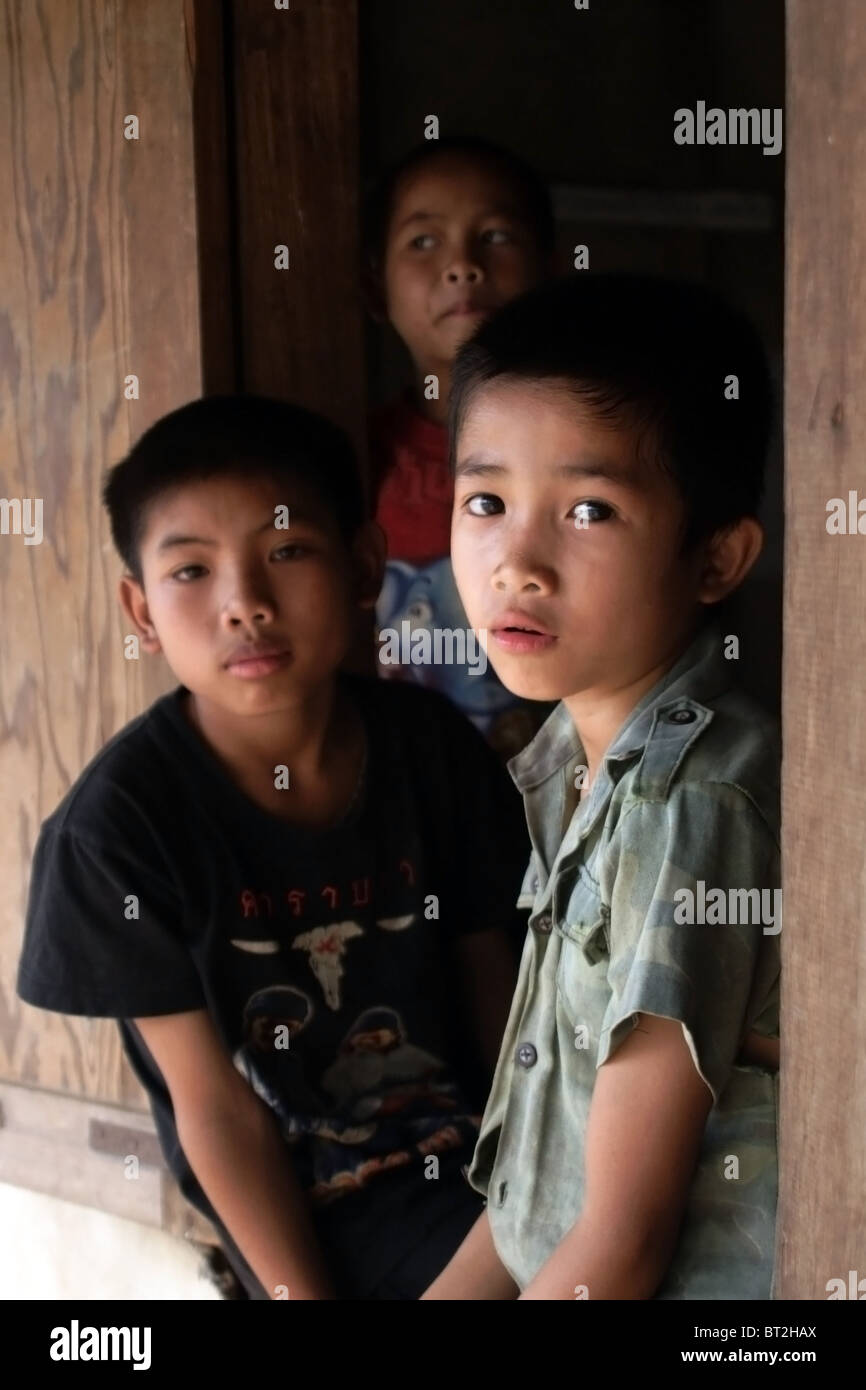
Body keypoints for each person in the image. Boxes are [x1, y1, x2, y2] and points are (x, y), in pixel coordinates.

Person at [16, 395, 528, 1301]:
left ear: (364, 566)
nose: (245, 605)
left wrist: (536, 1180)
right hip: (317, 1214)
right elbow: (214, 1109)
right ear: (139, 609)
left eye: (286, 552)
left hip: (486, 1162)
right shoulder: (118, 832)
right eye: (190, 572)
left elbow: (500, 1000)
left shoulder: (430, 751)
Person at [423, 274, 782, 1300]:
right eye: (485, 501)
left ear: (715, 556)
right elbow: (531, 1209)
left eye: (588, 509)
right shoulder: (565, 768)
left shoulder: (693, 802)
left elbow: (618, 1246)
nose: (515, 563)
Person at [364, 136, 555, 756]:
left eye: (496, 236)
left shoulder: (592, 454)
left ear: (550, 267)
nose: (462, 266)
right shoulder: (359, 463)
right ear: (375, 286)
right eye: (423, 242)